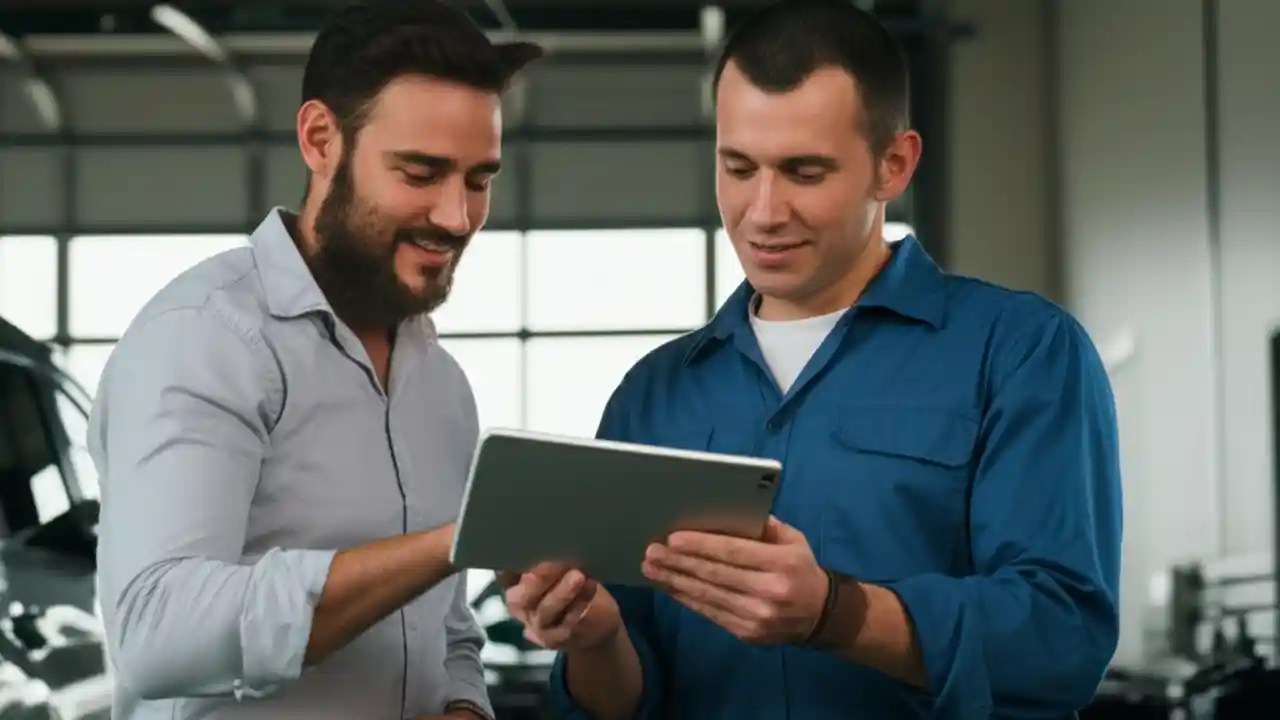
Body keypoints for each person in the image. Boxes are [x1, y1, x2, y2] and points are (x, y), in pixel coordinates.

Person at [502, 1, 1123, 718]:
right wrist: (595, 638)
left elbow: (1061, 639)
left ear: (894, 165)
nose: (763, 211)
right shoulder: (653, 395)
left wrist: (836, 612)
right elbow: (623, 698)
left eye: (804, 171)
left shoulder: (1020, 353)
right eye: (738, 167)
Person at [88, 2, 540, 718]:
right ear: (321, 138)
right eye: (421, 173)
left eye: (479, 181)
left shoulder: (440, 385)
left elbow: (446, 633)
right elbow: (156, 631)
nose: (457, 217)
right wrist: (454, 542)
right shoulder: (205, 340)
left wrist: (461, 705)